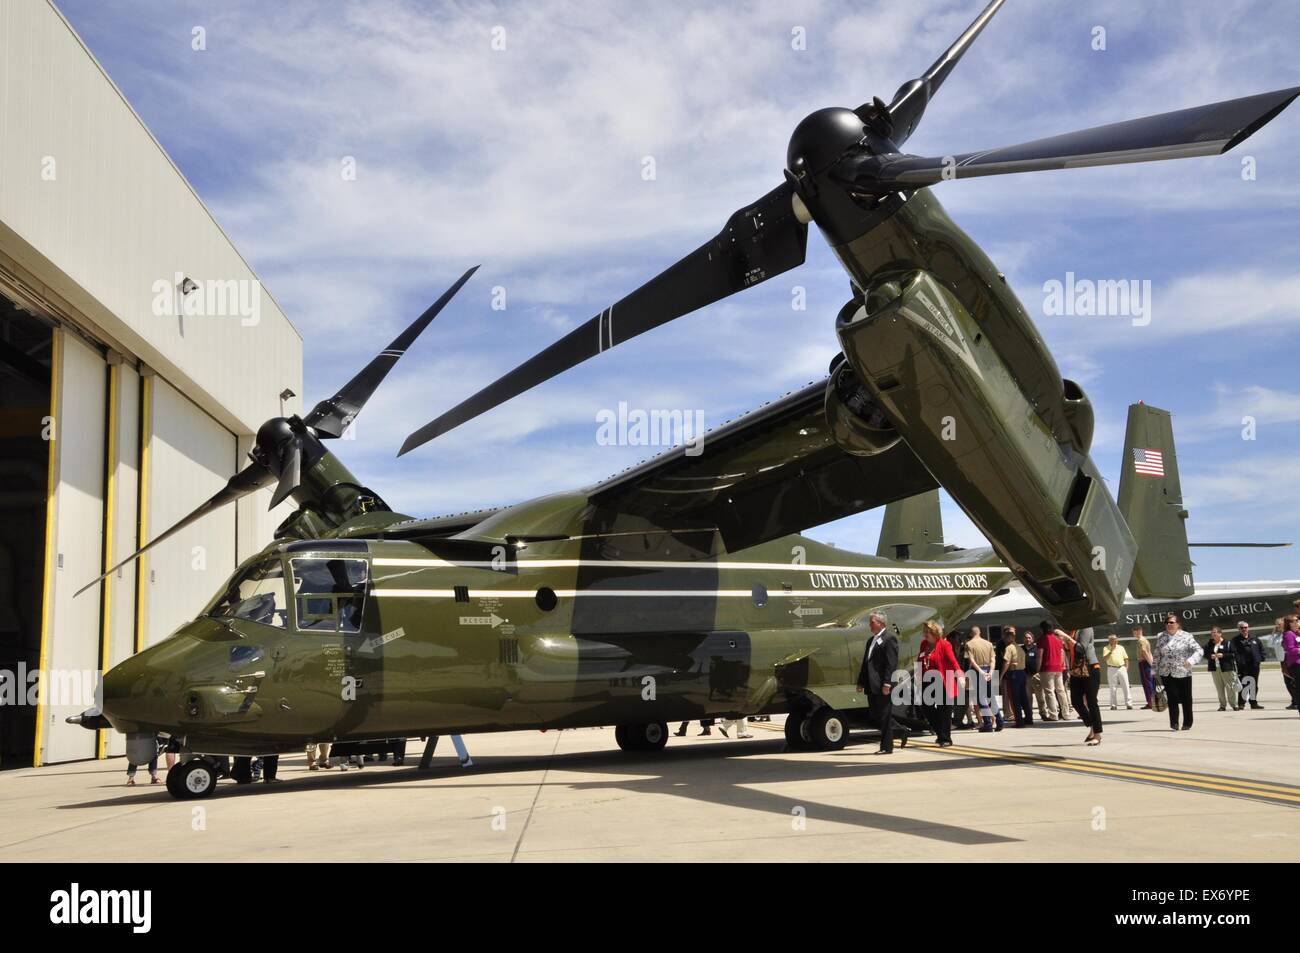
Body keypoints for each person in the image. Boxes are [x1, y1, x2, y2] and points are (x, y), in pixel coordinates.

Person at [856, 611, 908, 754]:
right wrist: (861, 682)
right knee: (875, 714)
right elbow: (865, 663)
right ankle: (901, 731)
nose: (870, 626)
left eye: (872, 623)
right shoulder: (871, 640)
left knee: (884, 715)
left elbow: (891, 664)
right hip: (871, 684)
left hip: (882, 684)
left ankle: (886, 747)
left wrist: (888, 683)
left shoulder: (889, 639)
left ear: (881, 623)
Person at [1155, 613, 1203, 731]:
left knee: (1186, 699)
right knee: (1172, 698)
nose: (1169, 625)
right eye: (1167, 623)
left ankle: (1187, 722)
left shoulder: (1186, 636)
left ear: (1178, 624)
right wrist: (1153, 669)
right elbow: (1157, 654)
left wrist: (1191, 660)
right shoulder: (1161, 636)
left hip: (1183, 672)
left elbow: (1199, 650)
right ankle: (1174, 722)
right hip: (1166, 672)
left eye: (1172, 622)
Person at [917, 620, 959, 747]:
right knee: (926, 707)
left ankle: (945, 738)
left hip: (943, 680)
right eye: (925, 632)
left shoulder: (945, 645)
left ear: (935, 633)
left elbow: (953, 661)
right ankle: (941, 732)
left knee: (944, 710)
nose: (925, 634)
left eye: (928, 632)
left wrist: (959, 674)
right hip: (927, 680)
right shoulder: (924, 644)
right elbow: (920, 661)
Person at [1059, 627, 1103, 745]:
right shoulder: (1073, 630)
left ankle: (1097, 735)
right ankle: (1093, 725)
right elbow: (1071, 649)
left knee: (1091, 701)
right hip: (1077, 669)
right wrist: (1065, 641)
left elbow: (1081, 648)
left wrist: (1066, 636)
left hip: (1090, 668)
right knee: (1076, 701)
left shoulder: (1086, 627)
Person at [965, 626, 1003, 731]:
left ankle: (987, 724)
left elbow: (971, 661)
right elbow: (993, 659)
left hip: (978, 672)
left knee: (982, 699)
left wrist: (981, 672)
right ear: (980, 632)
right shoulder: (989, 644)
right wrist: (990, 672)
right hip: (989, 670)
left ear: (971, 633)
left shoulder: (969, 644)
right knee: (991, 698)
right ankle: (999, 721)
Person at [1038, 621, 1070, 721]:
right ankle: (1066, 714)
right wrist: (1059, 666)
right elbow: (1062, 654)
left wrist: (1038, 669)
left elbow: (1040, 655)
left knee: (1049, 692)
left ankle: (1053, 715)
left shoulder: (1042, 639)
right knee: (1061, 691)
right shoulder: (1058, 640)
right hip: (1058, 668)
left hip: (1046, 668)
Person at [1204, 626, 1242, 712]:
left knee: (1230, 687)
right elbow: (1205, 654)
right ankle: (1222, 705)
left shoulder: (1228, 643)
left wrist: (1223, 655)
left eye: (1215, 632)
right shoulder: (1210, 644)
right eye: (1212, 633)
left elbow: (1234, 654)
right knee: (1219, 688)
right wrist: (1210, 656)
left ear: (1220, 633)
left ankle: (1234, 705)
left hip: (1227, 668)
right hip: (1215, 669)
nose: (1213, 634)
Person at [1001, 628, 1031, 726]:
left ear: (1008, 637)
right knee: (1024, 698)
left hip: (1014, 674)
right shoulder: (1020, 648)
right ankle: (1028, 719)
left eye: (1005, 637)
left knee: (1015, 699)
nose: (1004, 639)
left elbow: (1006, 662)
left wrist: (1001, 675)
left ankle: (1019, 722)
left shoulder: (1009, 648)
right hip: (1022, 673)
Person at [1101, 634, 1133, 710]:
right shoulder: (1106, 648)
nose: (1115, 640)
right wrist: (1111, 650)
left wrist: (1126, 667)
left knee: (1126, 686)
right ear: (1109, 640)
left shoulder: (1121, 647)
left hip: (1122, 668)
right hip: (1111, 669)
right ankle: (1113, 705)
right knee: (1113, 687)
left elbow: (1126, 658)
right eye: (1113, 639)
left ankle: (1129, 704)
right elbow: (1105, 659)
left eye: (1115, 639)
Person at [1022, 631, 1045, 721]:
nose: (1028, 639)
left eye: (1029, 638)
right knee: (1028, 698)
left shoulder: (1037, 648)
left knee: (1040, 697)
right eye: (1026, 638)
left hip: (1036, 675)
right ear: (1023, 639)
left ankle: (1043, 713)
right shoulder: (1021, 649)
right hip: (1026, 676)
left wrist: (1039, 673)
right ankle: (1029, 715)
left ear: (1033, 639)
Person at [1133, 626, 1156, 709]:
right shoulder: (1145, 640)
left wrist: (1150, 663)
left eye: (1135, 631)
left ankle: (1151, 703)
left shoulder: (1141, 640)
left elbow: (1145, 652)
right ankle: (1153, 701)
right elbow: (1149, 652)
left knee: (1147, 683)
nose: (1134, 634)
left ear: (1140, 631)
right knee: (1151, 682)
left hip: (1144, 663)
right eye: (1134, 632)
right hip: (1148, 662)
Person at [1283, 617, 1300, 719]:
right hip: (1296, 664)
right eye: (1296, 620)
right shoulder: (1289, 634)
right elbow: (1290, 649)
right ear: (1290, 623)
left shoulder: (1297, 633)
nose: (1298, 622)